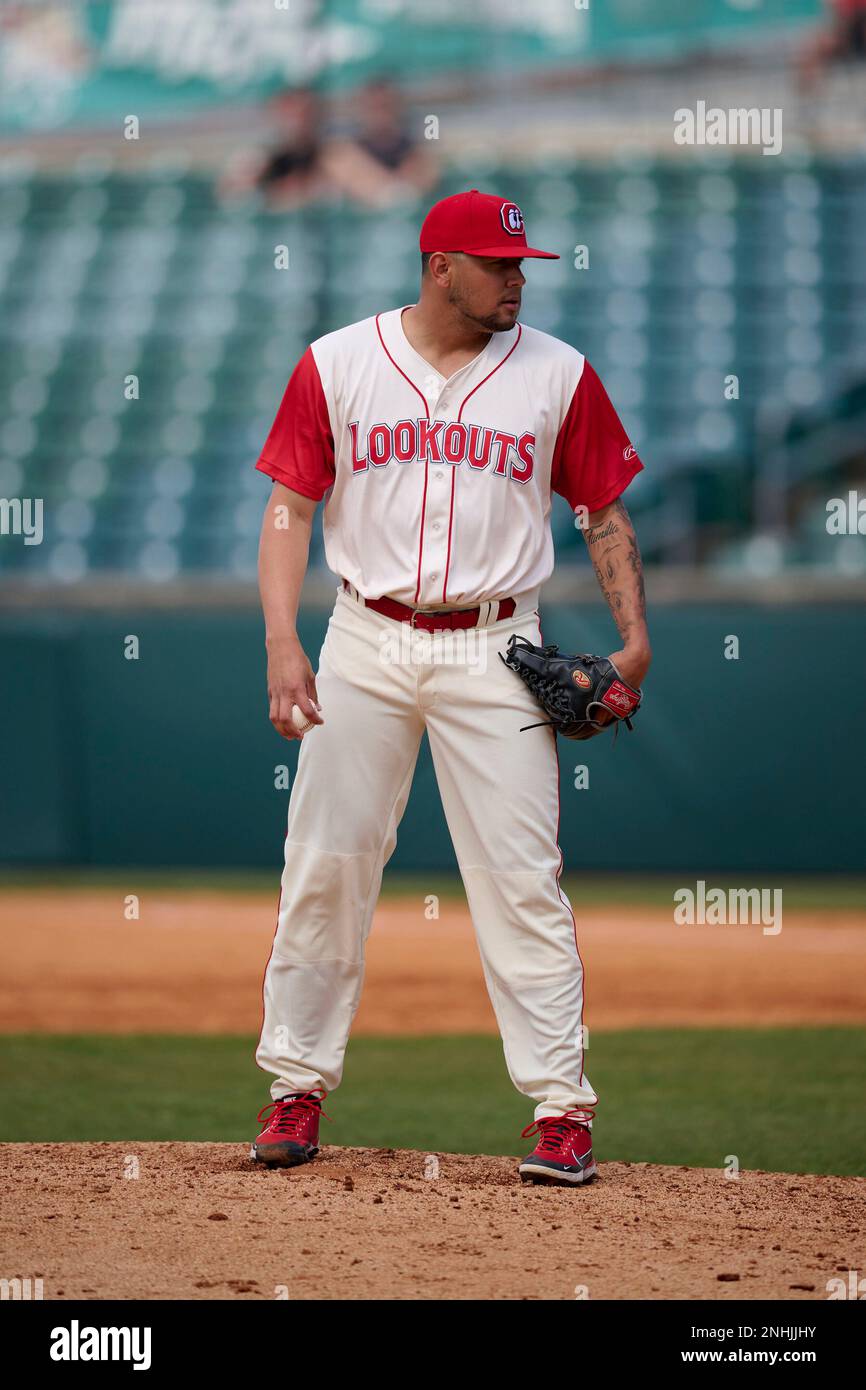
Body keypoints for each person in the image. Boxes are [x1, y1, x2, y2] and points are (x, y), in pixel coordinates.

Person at [250, 189, 651, 1186]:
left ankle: (560, 1109)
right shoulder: (337, 362)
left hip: (497, 646)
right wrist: (279, 640)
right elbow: (288, 509)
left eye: (521, 264)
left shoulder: (558, 373)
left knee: (521, 880)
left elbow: (602, 511)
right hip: (362, 637)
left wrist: (633, 642)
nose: (518, 278)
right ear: (440, 266)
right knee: (325, 864)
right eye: (500, 264)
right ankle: (294, 1088)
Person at [321, 76, 437, 207]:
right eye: (374, 107)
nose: (380, 114)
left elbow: (421, 182)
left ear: (398, 107)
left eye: (385, 106)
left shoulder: (418, 154)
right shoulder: (343, 156)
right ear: (362, 110)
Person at [219, 87, 325, 209]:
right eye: (292, 115)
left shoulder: (330, 156)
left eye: (305, 114)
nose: (298, 122)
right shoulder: (260, 158)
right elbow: (230, 193)